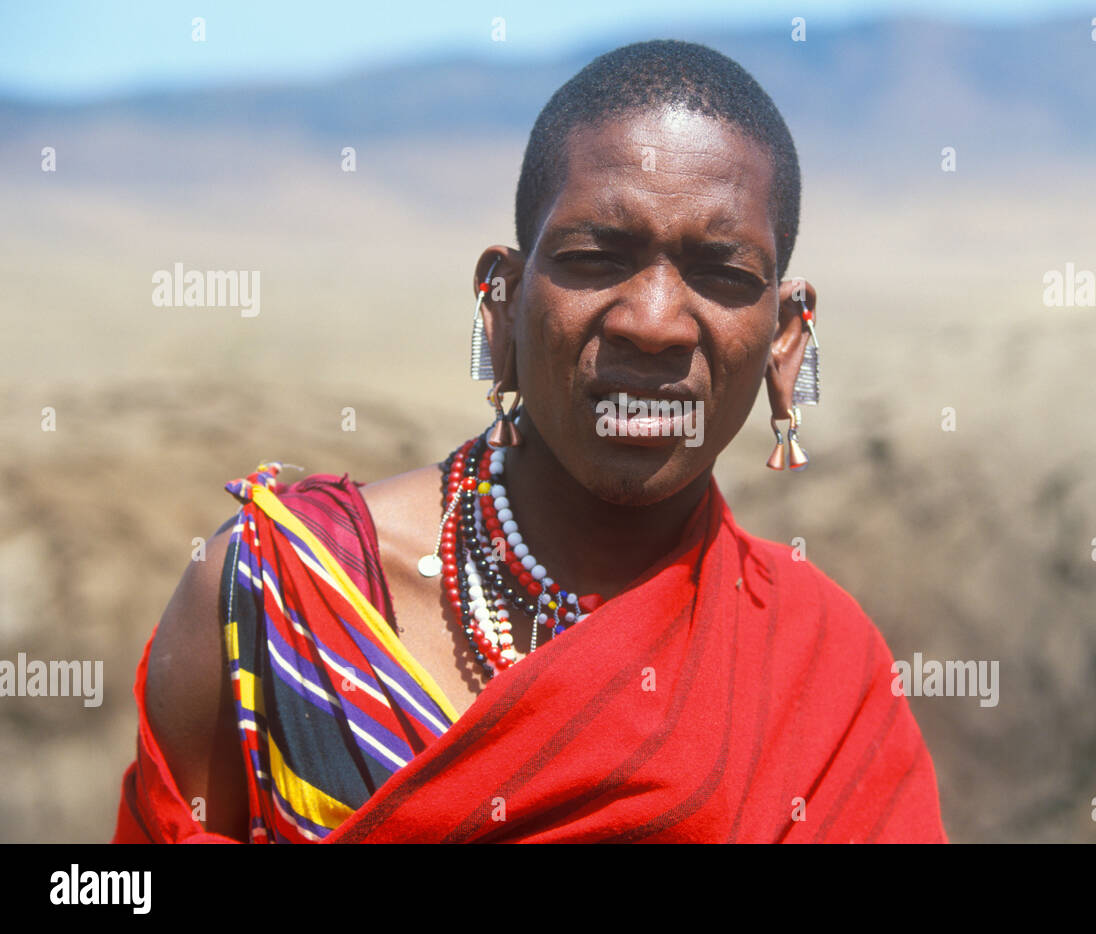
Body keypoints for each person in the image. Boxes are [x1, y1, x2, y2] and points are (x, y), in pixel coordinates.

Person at [113, 39, 947, 843]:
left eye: (722, 272)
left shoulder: (821, 670)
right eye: (594, 257)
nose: (652, 324)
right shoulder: (285, 597)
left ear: (786, 341)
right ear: (501, 301)